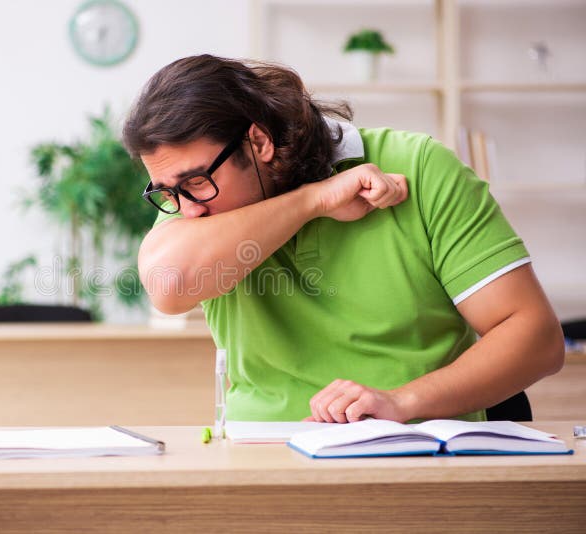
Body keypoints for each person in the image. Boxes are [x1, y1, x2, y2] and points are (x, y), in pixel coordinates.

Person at [122, 54, 564, 424]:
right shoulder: (194, 206)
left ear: (258, 142)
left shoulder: (419, 166)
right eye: (167, 192)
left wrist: (401, 402)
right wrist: (313, 200)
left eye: (197, 181)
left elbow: (536, 340)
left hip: (420, 452)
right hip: (262, 457)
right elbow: (169, 286)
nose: (187, 209)